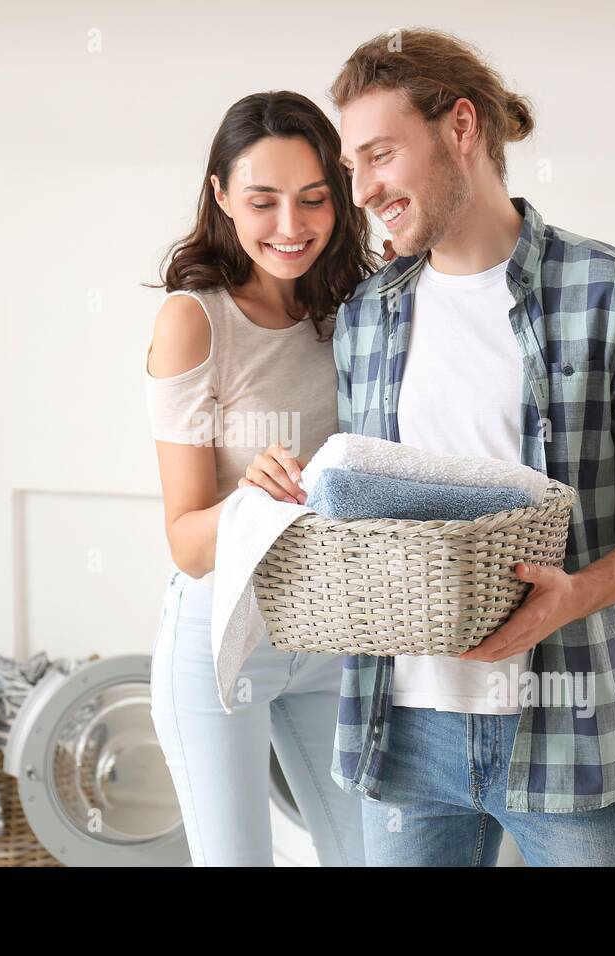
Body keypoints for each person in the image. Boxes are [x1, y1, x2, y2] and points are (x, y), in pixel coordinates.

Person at [321, 28, 615, 866]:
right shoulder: (366, 317)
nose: (362, 190)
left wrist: (573, 595)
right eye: (352, 165)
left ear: (460, 127)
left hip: (577, 731)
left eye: (380, 154)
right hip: (404, 732)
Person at [143, 90, 381, 865]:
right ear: (219, 196)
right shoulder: (195, 320)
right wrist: (251, 500)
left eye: (314, 199)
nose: (292, 226)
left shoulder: (354, 306)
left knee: (371, 855)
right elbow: (186, 540)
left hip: (334, 629)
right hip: (222, 641)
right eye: (263, 201)